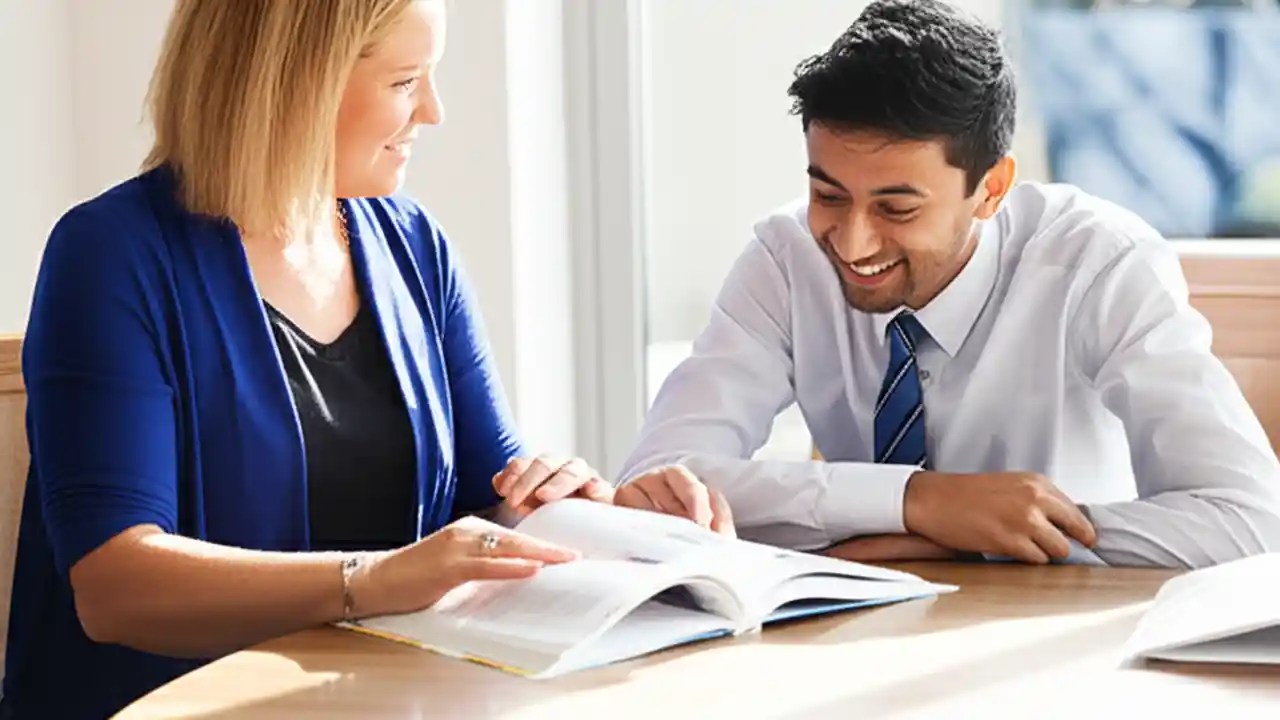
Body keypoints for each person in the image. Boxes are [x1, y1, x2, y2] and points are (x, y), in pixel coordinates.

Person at [0, 1, 729, 717]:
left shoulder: (414, 246)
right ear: (295, 82)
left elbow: (491, 491)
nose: (433, 112)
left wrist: (598, 512)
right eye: (406, 81)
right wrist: (372, 580)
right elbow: (114, 586)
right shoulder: (111, 255)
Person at [620, 0, 1280, 570]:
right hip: (857, 634)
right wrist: (917, 504)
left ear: (990, 189)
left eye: (896, 209)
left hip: (1065, 638)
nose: (852, 242)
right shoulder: (785, 257)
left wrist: (981, 537)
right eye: (828, 194)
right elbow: (655, 487)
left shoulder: (1099, 264)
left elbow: (1251, 526)